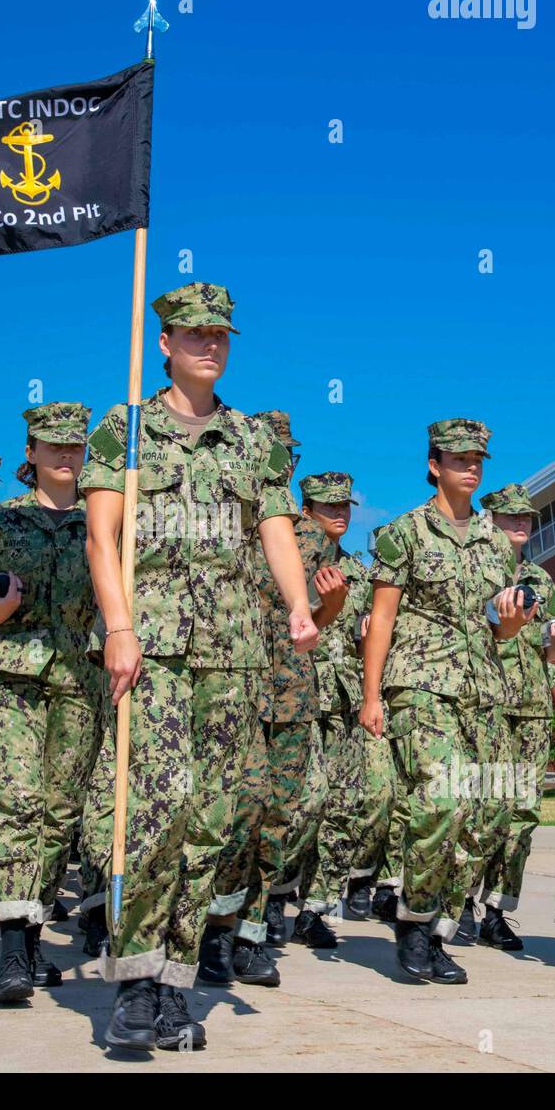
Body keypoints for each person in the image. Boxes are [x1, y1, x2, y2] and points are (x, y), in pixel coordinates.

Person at [81, 281, 318, 1051]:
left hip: (233, 654)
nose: (209, 345)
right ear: (165, 344)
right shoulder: (127, 426)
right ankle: (135, 983)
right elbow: (101, 535)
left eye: (220, 334)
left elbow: (277, 527)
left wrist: (297, 605)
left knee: (210, 824)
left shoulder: (253, 438)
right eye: (193, 334)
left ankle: (178, 981)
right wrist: (119, 626)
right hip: (149, 652)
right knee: (147, 819)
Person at [0, 402, 102, 1004]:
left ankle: (31, 936)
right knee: (15, 801)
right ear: (29, 454)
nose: (65, 453)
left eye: (75, 444)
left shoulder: (104, 523)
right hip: (6, 674)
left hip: (79, 680)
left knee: (60, 812)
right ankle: (10, 952)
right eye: (51, 445)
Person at [359, 419, 534, 984]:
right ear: (435, 465)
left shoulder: (494, 543)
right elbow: (381, 618)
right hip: (421, 684)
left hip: (483, 691)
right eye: (459, 459)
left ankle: (437, 927)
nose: (471, 467)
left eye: (478, 459)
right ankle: (411, 922)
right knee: (441, 802)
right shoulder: (404, 532)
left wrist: (510, 626)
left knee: (486, 815)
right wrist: (371, 694)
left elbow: (498, 630)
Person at [201, 417, 346, 986]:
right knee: (239, 811)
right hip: (230, 685)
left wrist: (328, 604)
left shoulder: (309, 537)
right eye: (275, 452)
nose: (282, 462)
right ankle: (215, 925)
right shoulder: (220, 520)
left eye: (289, 454)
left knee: (278, 816)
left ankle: (252, 934)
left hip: (288, 690)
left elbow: (314, 622)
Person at [275, 471, 388, 940]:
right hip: (297, 695)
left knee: (358, 802)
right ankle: (273, 893)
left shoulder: (356, 571)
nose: (339, 513)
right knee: (303, 803)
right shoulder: (284, 565)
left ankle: (315, 909)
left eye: (345, 507)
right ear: (306, 511)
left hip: (343, 698)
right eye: (329, 506)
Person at [465, 484, 555, 950]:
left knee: (522, 815)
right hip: (483, 701)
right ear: (489, 520)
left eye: (526, 518)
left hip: (529, 708)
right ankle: (456, 901)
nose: (521, 525)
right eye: (510, 517)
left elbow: (542, 647)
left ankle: (495, 911)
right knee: (481, 809)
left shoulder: (540, 581)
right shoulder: (470, 570)